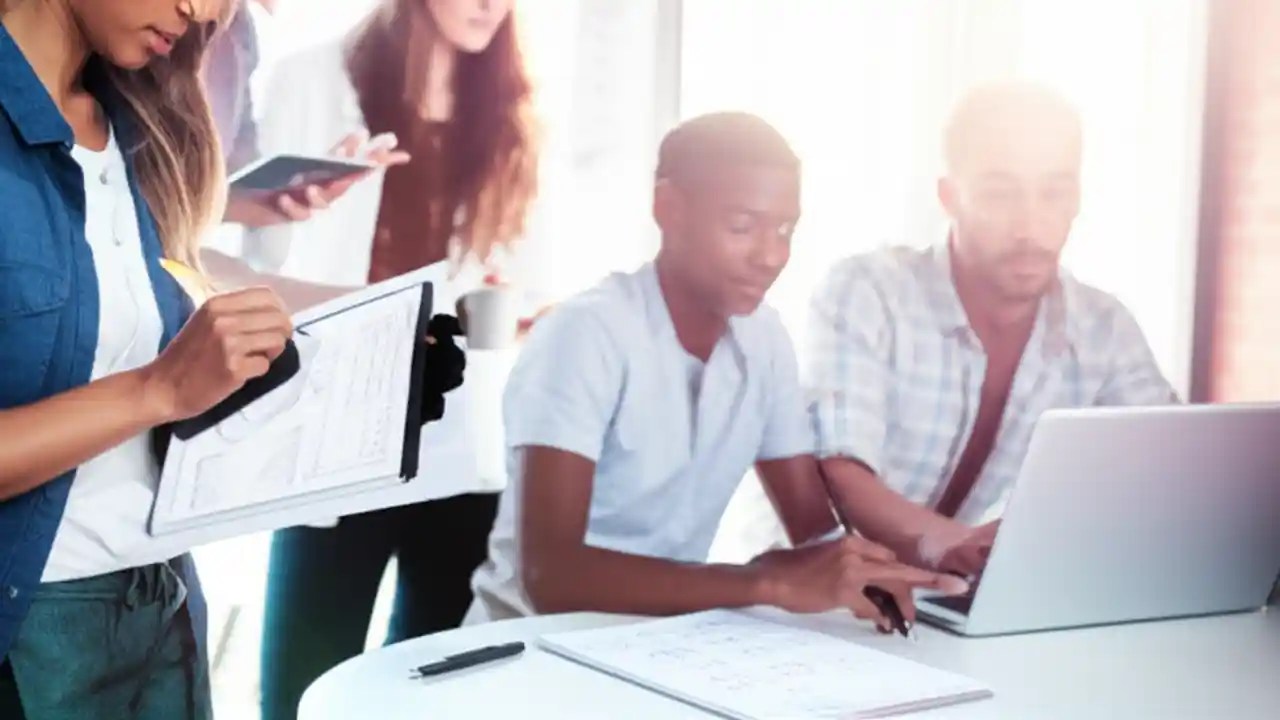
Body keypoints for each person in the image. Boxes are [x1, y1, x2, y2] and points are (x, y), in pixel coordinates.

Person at [467, 112, 968, 627]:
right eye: (742, 226)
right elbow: (551, 579)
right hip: (527, 646)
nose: (772, 255)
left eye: (785, 228)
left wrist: (874, 572)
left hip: (659, 642)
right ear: (669, 209)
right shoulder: (586, 334)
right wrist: (762, 582)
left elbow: (812, 532)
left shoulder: (763, 339)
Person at [240, 1, 545, 716]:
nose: (488, 5)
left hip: (457, 430)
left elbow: (520, 275)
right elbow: (256, 254)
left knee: (433, 683)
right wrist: (288, 204)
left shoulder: (512, 113)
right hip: (340, 423)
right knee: (302, 684)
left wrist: (520, 306)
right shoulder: (310, 78)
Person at [0, 1, 291, 717]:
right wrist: (158, 389)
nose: (200, 12)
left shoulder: (145, 134)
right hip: (34, 631)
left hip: (162, 601)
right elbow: (150, 389)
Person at [807, 82, 1179, 579]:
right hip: (803, 607)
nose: (1031, 225)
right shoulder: (869, 291)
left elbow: (1174, 472)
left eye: (1054, 193)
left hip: (934, 607)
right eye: (1000, 194)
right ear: (949, 197)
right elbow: (838, 468)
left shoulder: (1103, 329)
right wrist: (951, 545)